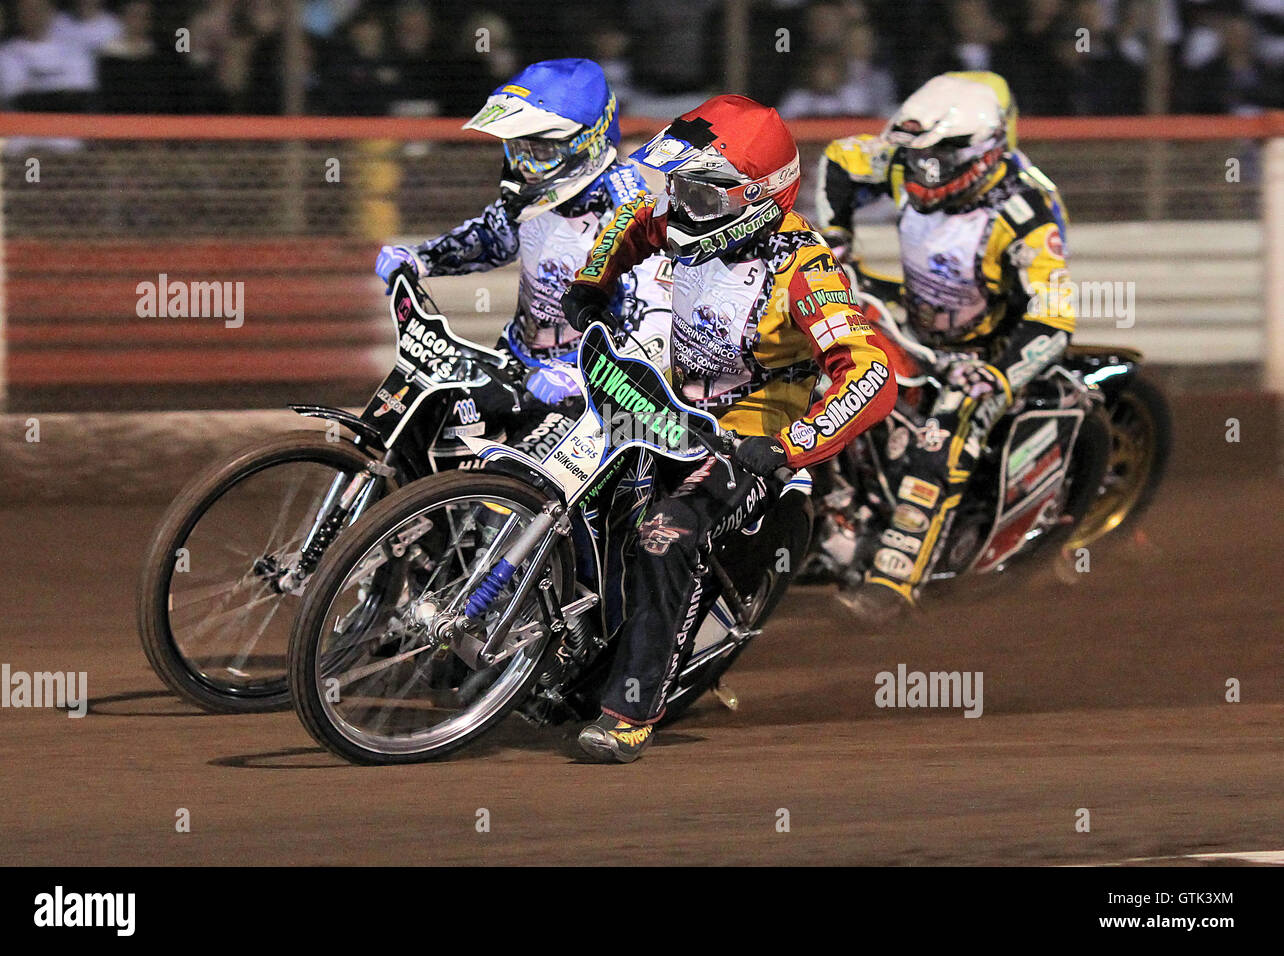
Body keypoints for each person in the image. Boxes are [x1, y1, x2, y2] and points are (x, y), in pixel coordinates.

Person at [560, 94, 898, 762]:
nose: (683, 209)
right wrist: (592, 281)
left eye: (704, 198)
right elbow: (633, 219)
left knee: (666, 534)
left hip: (745, 436)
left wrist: (791, 445)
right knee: (560, 471)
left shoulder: (806, 271)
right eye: (680, 189)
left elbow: (871, 373)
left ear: (761, 198)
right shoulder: (683, 215)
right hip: (666, 406)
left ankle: (630, 710)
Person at [816, 72, 1075, 621]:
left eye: (935, 163)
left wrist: (998, 375)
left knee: (942, 437)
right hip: (912, 314)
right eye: (916, 160)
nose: (919, 178)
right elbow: (840, 159)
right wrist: (836, 242)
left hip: (986, 350)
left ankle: (895, 580)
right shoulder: (910, 160)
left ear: (980, 154)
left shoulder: (1028, 213)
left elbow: (1053, 317)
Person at [374, 58, 672, 454]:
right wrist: (421, 258)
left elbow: (657, 321)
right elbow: (491, 236)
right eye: (518, 149)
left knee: (509, 490)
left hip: (595, 390)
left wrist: (581, 376)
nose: (526, 167)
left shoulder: (631, 208)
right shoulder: (530, 197)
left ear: (590, 141)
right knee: (420, 430)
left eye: (540, 151)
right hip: (517, 359)